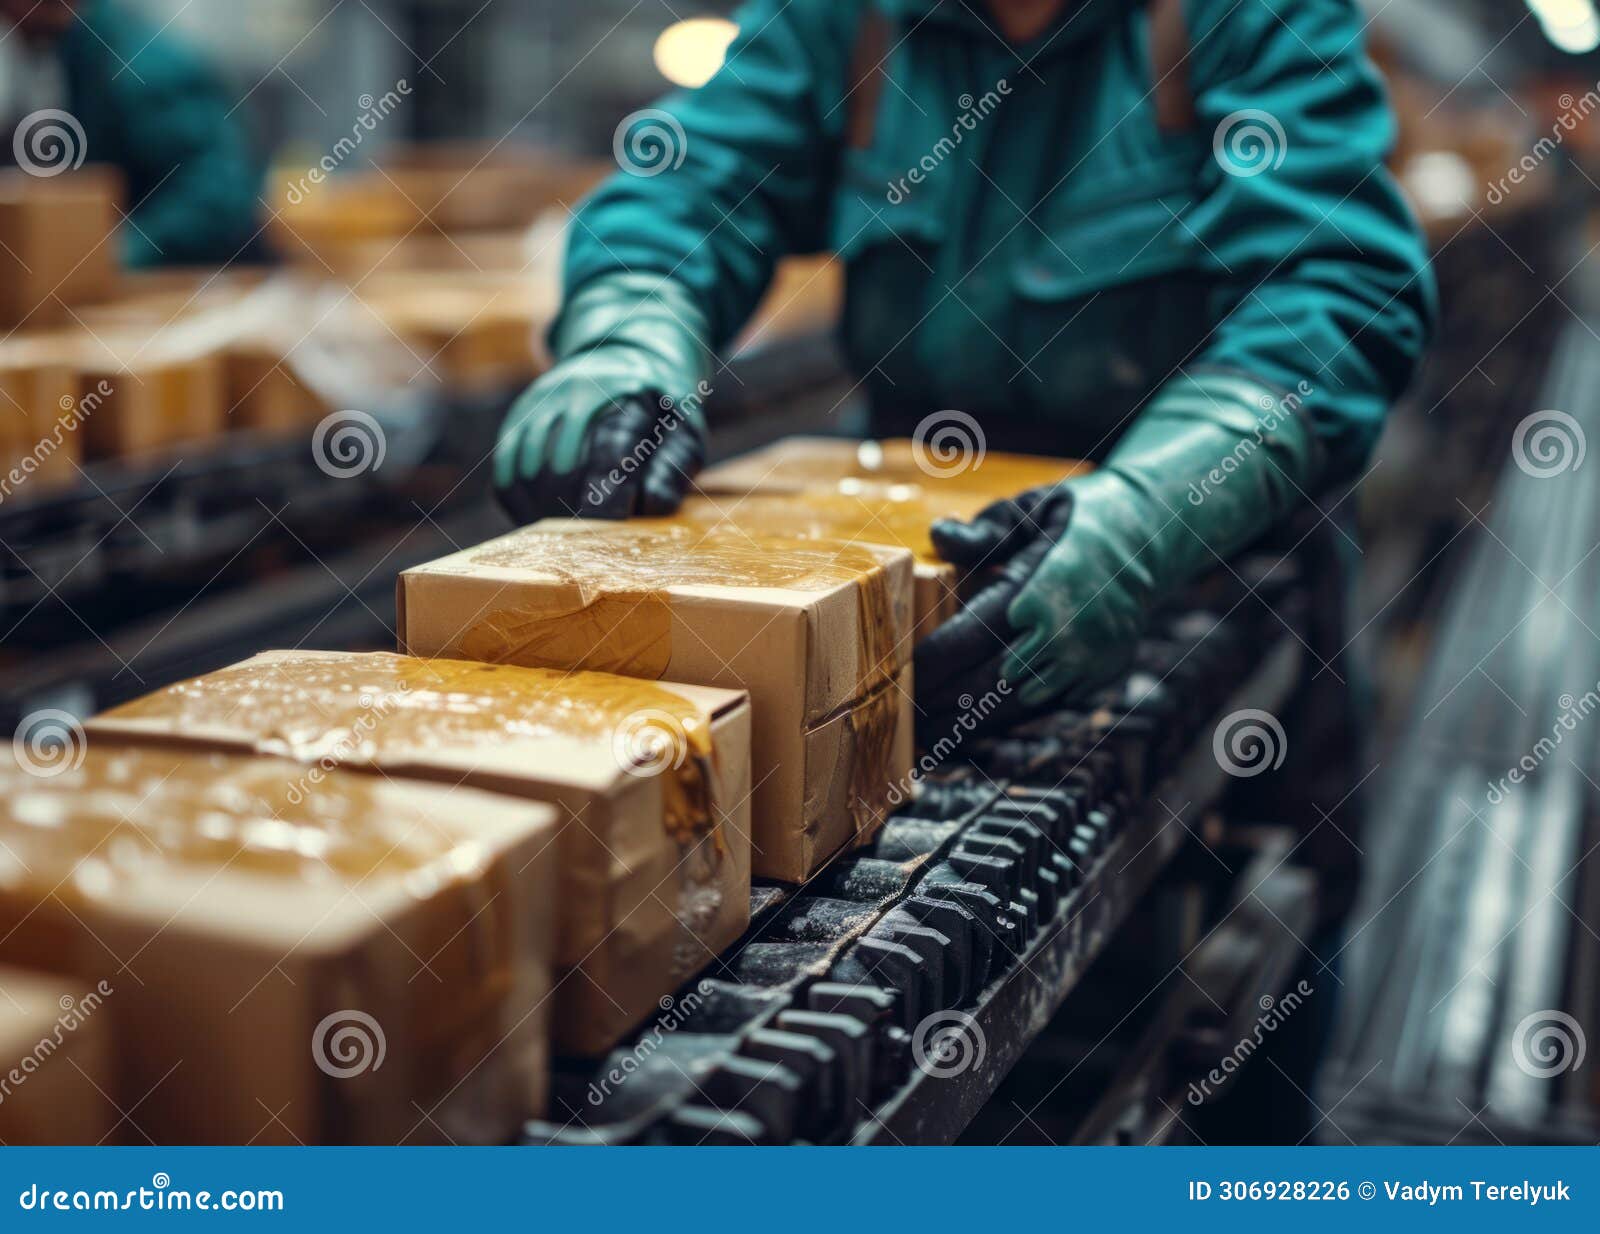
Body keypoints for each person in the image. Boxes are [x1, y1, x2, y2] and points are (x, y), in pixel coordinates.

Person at [493, 0, 1436, 712]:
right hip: (919, 526)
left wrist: (1150, 518)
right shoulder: (846, 19)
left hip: (1195, 550)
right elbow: (691, 185)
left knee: (1245, 897)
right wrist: (629, 332)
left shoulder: (1239, 17)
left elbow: (1335, 285)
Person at [0, 0, 260, 267]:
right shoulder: (66, 52)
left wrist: (110, 255)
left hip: (194, 281)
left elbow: (219, 198)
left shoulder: (139, 66)